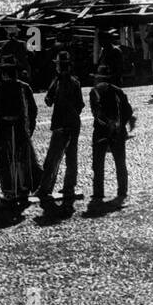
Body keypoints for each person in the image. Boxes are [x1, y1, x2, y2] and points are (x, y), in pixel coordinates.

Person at [0, 56, 39, 204]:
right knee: (18, 160)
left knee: (9, 160)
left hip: (7, 127)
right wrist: (29, 128)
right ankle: (20, 189)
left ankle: (13, 190)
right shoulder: (23, 87)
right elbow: (32, 110)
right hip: (17, 127)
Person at [38, 50, 84, 201]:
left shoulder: (57, 81)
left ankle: (45, 187)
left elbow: (48, 101)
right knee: (71, 157)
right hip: (73, 124)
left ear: (59, 67)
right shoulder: (75, 82)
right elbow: (80, 105)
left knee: (52, 158)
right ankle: (69, 187)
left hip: (60, 124)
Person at [88, 64, 133, 205]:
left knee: (98, 163)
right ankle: (122, 191)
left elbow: (96, 113)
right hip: (118, 132)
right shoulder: (118, 91)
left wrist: (108, 125)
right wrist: (119, 125)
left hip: (101, 132)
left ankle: (98, 192)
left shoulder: (94, 92)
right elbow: (128, 111)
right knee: (120, 163)